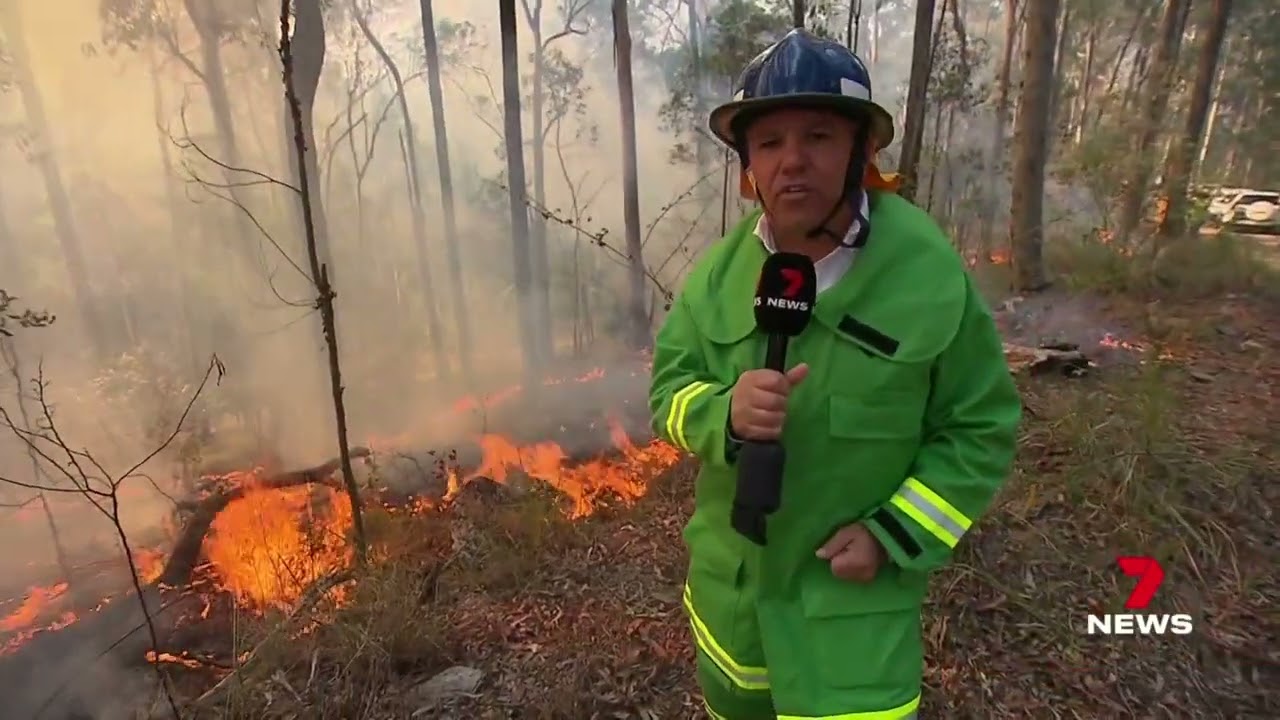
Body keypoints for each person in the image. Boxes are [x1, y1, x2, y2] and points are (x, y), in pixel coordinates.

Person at [647, 29, 1022, 720]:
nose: (793, 162)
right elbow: (668, 394)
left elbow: (980, 425)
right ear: (747, 167)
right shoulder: (716, 277)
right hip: (732, 612)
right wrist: (721, 413)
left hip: (850, 617)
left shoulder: (925, 270)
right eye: (769, 143)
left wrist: (893, 533)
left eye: (818, 136)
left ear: (860, 153)